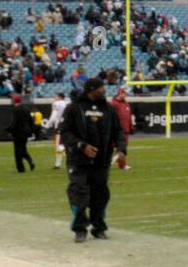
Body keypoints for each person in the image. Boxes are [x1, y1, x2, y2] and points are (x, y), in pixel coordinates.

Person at [59, 77, 127, 242]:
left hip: (101, 161)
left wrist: (121, 149)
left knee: (100, 195)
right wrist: (82, 146)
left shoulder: (109, 109)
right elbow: (65, 132)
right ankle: (80, 229)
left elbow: (118, 131)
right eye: (100, 88)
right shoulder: (73, 108)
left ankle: (99, 227)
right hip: (78, 161)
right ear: (91, 89)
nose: (103, 90)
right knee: (79, 194)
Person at [10, 93, 37, 173]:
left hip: (18, 132)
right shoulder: (26, 109)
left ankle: (21, 168)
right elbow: (31, 120)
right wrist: (32, 130)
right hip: (26, 132)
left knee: (17, 150)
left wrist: (9, 130)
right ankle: (29, 161)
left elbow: (14, 122)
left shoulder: (15, 109)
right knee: (23, 148)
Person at [111, 88, 134, 170]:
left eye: (124, 94)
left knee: (123, 148)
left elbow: (129, 116)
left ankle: (122, 164)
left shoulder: (126, 104)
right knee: (111, 146)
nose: (123, 95)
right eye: (122, 93)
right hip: (116, 130)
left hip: (125, 129)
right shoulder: (113, 104)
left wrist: (131, 126)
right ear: (118, 94)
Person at [48, 91, 68, 169]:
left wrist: (49, 124)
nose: (55, 98)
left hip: (59, 126)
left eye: (56, 96)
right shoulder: (67, 103)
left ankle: (59, 163)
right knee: (61, 144)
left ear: (59, 97)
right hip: (67, 126)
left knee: (59, 146)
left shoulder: (56, 103)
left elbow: (54, 115)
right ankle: (57, 164)